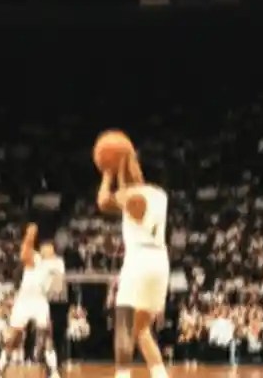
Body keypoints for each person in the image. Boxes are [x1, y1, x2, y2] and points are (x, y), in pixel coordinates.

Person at [97, 138, 170, 378]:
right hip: (160, 261)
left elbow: (103, 201)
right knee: (141, 329)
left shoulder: (132, 195)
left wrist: (109, 172)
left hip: (139, 259)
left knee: (124, 324)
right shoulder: (160, 196)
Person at [0, 223, 65, 378]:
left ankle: (53, 371)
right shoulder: (35, 257)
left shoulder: (58, 263)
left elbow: (58, 286)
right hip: (24, 300)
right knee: (13, 338)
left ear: (53, 249)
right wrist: (29, 236)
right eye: (43, 247)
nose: (45, 249)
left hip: (40, 300)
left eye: (48, 247)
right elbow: (24, 255)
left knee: (47, 335)